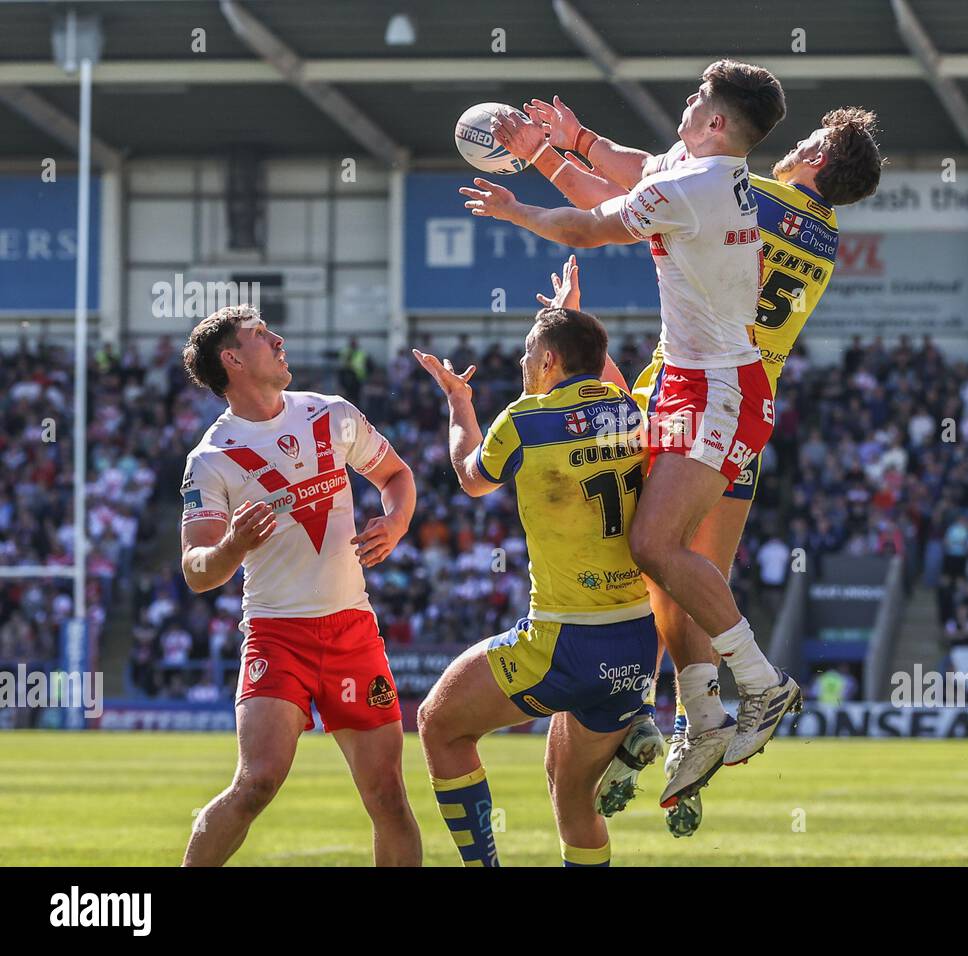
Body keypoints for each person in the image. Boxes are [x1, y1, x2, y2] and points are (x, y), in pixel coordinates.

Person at [491, 95, 882, 832]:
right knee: (686, 571)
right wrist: (576, 146)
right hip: (747, 405)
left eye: (808, 142)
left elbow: (622, 193)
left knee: (642, 555)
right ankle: (696, 721)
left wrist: (560, 149)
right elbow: (640, 187)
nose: (791, 146)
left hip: (694, 385)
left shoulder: (743, 191)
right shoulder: (822, 236)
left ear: (820, 159)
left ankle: (697, 704)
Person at [414, 259, 659, 867]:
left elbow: (472, 478)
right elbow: (603, 378)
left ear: (548, 362)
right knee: (571, 795)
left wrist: (458, 405)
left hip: (564, 639)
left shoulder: (525, 419)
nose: (523, 368)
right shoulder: (635, 412)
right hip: (636, 640)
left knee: (439, 723)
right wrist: (569, 315)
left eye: (529, 356)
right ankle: (637, 721)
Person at [177, 304, 421, 866]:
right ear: (232, 360)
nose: (279, 339)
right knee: (256, 782)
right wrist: (232, 547)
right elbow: (196, 570)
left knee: (387, 795)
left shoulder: (330, 414)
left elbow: (396, 476)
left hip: (352, 629)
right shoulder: (210, 460)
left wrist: (396, 521)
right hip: (275, 635)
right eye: (261, 335)